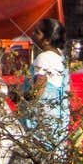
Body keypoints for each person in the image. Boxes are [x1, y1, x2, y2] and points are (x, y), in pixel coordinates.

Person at [20, 17, 70, 154]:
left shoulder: (44, 58)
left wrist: (18, 96)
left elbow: (37, 91)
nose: (32, 34)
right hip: (56, 125)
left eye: (37, 32)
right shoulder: (60, 58)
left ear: (47, 40)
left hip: (40, 126)